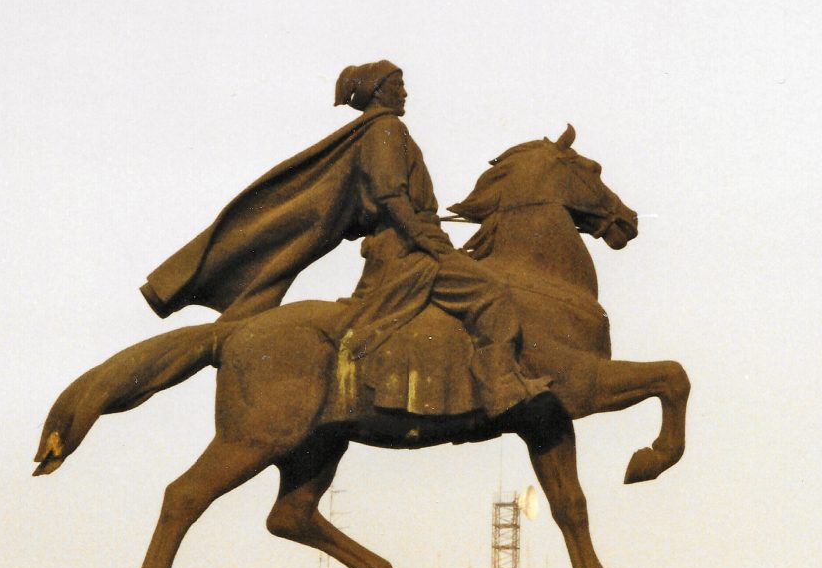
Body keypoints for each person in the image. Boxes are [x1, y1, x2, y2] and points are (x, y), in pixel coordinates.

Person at [139, 60, 547, 417]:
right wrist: (429, 239)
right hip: (406, 250)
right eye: (398, 85)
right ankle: (501, 389)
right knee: (491, 295)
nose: (405, 92)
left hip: (401, 245)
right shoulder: (386, 129)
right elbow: (389, 196)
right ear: (379, 90)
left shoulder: (378, 130)